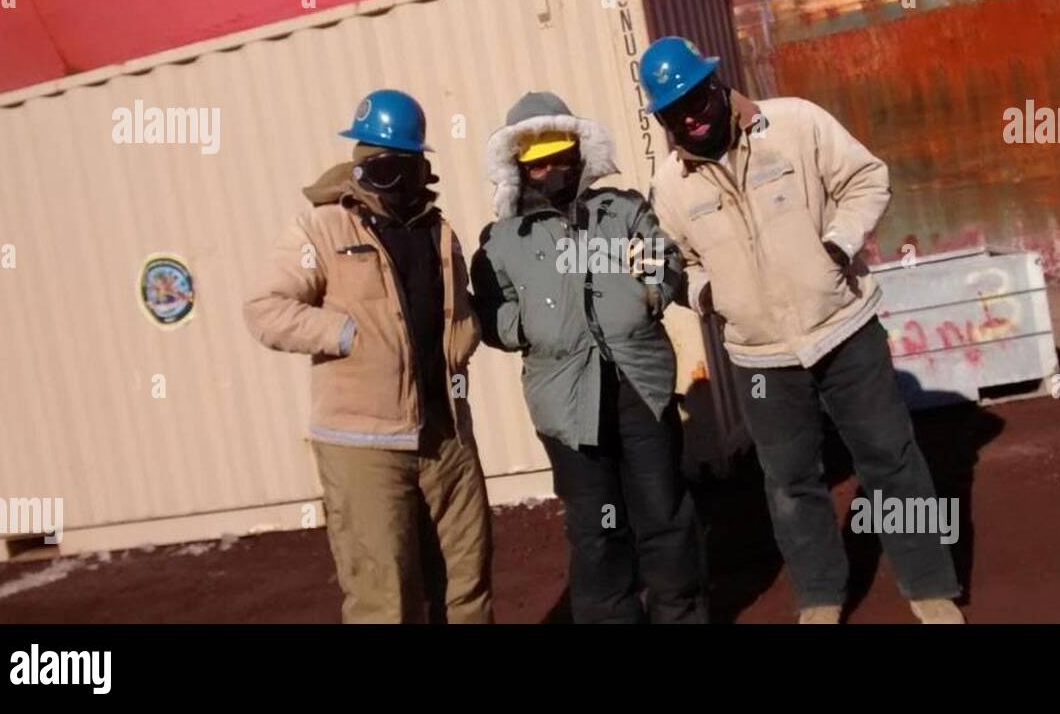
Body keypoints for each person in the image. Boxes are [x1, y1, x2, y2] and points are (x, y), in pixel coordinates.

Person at [639, 37, 964, 624]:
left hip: (844, 327)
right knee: (789, 480)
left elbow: (867, 178)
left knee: (889, 457)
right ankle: (820, 596)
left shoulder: (792, 123)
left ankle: (929, 582)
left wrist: (837, 244)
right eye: (672, 112)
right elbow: (675, 261)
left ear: (715, 86)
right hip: (761, 357)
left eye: (695, 100)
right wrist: (710, 295)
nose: (689, 117)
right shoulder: (670, 185)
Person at [244, 89, 492, 623]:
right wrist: (347, 333)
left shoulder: (437, 229)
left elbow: (456, 310)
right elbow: (265, 309)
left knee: (466, 584)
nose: (390, 178)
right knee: (385, 599)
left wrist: (465, 339)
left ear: (419, 164)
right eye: (377, 165)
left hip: (445, 433)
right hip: (364, 444)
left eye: (402, 164)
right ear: (358, 161)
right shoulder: (321, 228)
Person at [471, 91, 707, 623]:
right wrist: (525, 325)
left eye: (560, 156)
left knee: (664, 513)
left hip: (639, 383)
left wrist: (649, 292)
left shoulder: (622, 209)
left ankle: (682, 615)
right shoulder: (501, 240)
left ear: (579, 153)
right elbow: (488, 312)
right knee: (597, 528)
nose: (550, 169)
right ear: (519, 168)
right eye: (537, 163)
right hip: (564, 398)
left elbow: (664, 261)